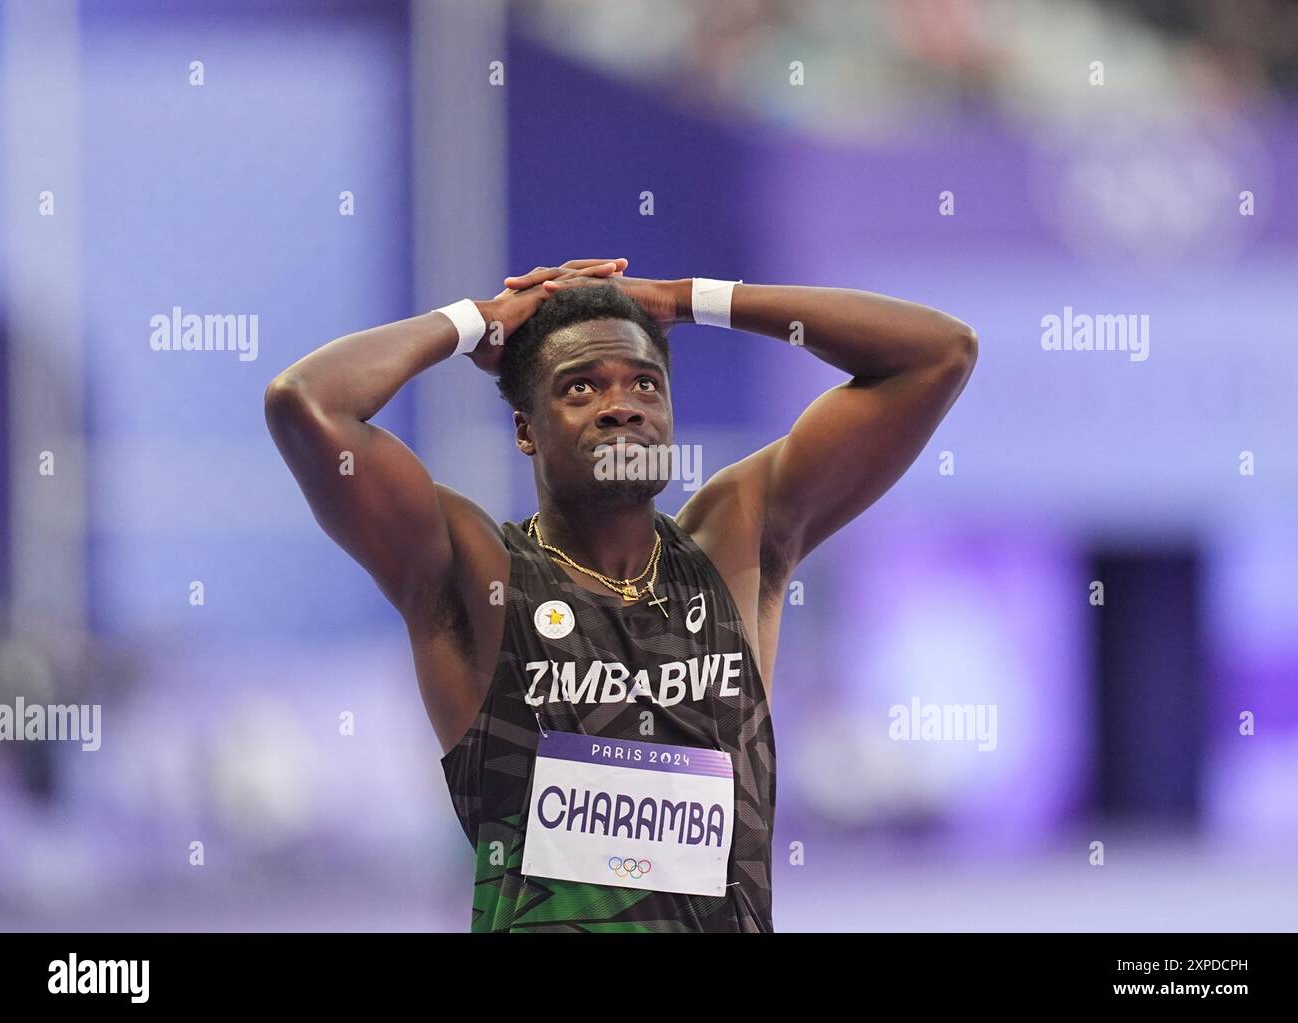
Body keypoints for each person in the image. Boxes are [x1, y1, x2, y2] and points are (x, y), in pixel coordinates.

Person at [264, 258, 977, 932]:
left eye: (645, 384)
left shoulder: (735, 545)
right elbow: (307, 402)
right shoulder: (473, 574)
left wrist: (688, 299)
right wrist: (478, 321)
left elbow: (938, 352)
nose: (621, 407)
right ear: (525, 429)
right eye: (580, 387)